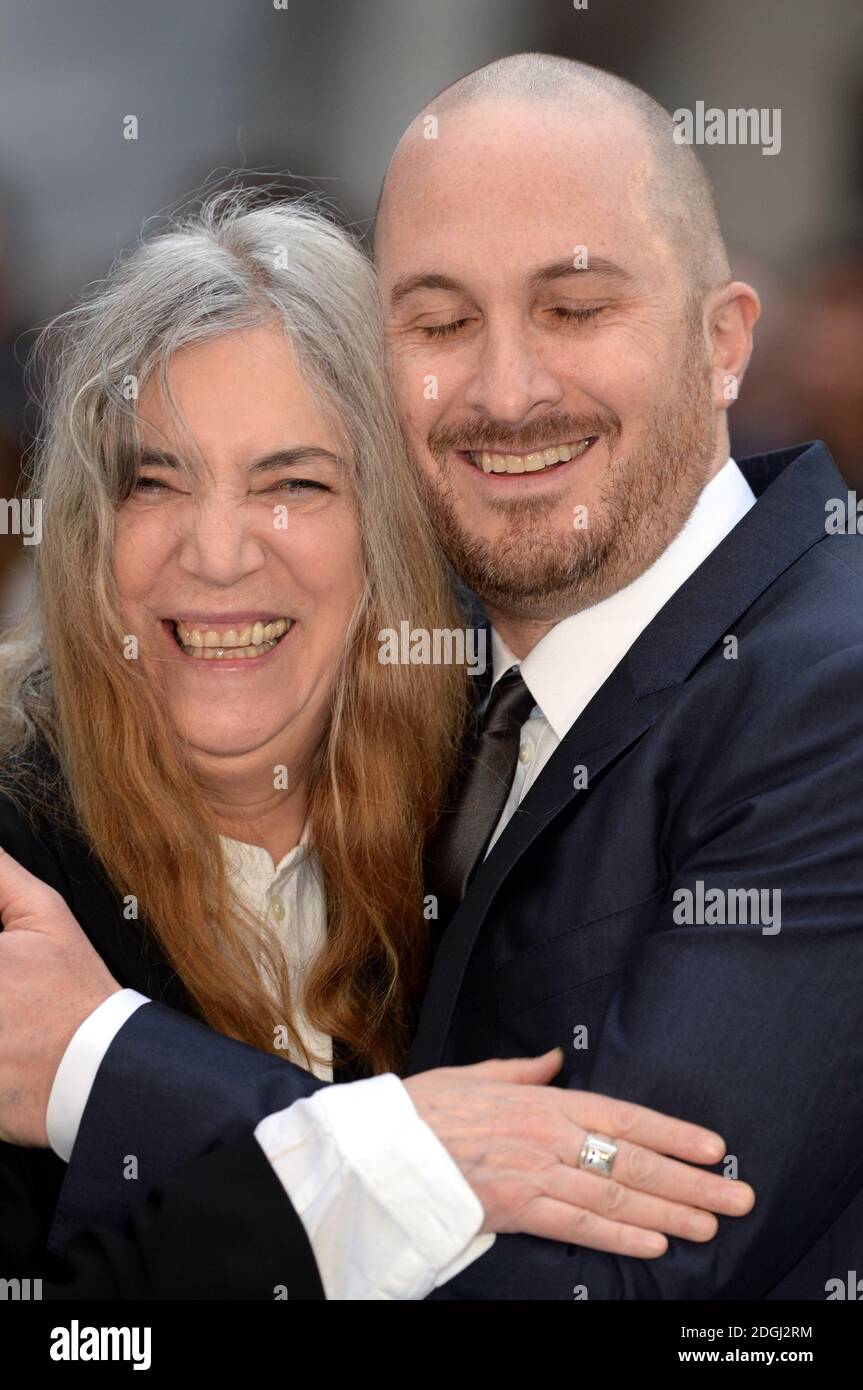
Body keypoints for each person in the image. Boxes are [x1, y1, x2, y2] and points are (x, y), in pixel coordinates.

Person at [0, 193, 747, 1301]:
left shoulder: (516, 812)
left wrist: (107, 1067)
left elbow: (617, 1242)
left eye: (293, 483)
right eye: (154, 481)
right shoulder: (16, 876)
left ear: (396, 530)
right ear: (85, 530)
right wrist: (407, 1160)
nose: (213, 553)